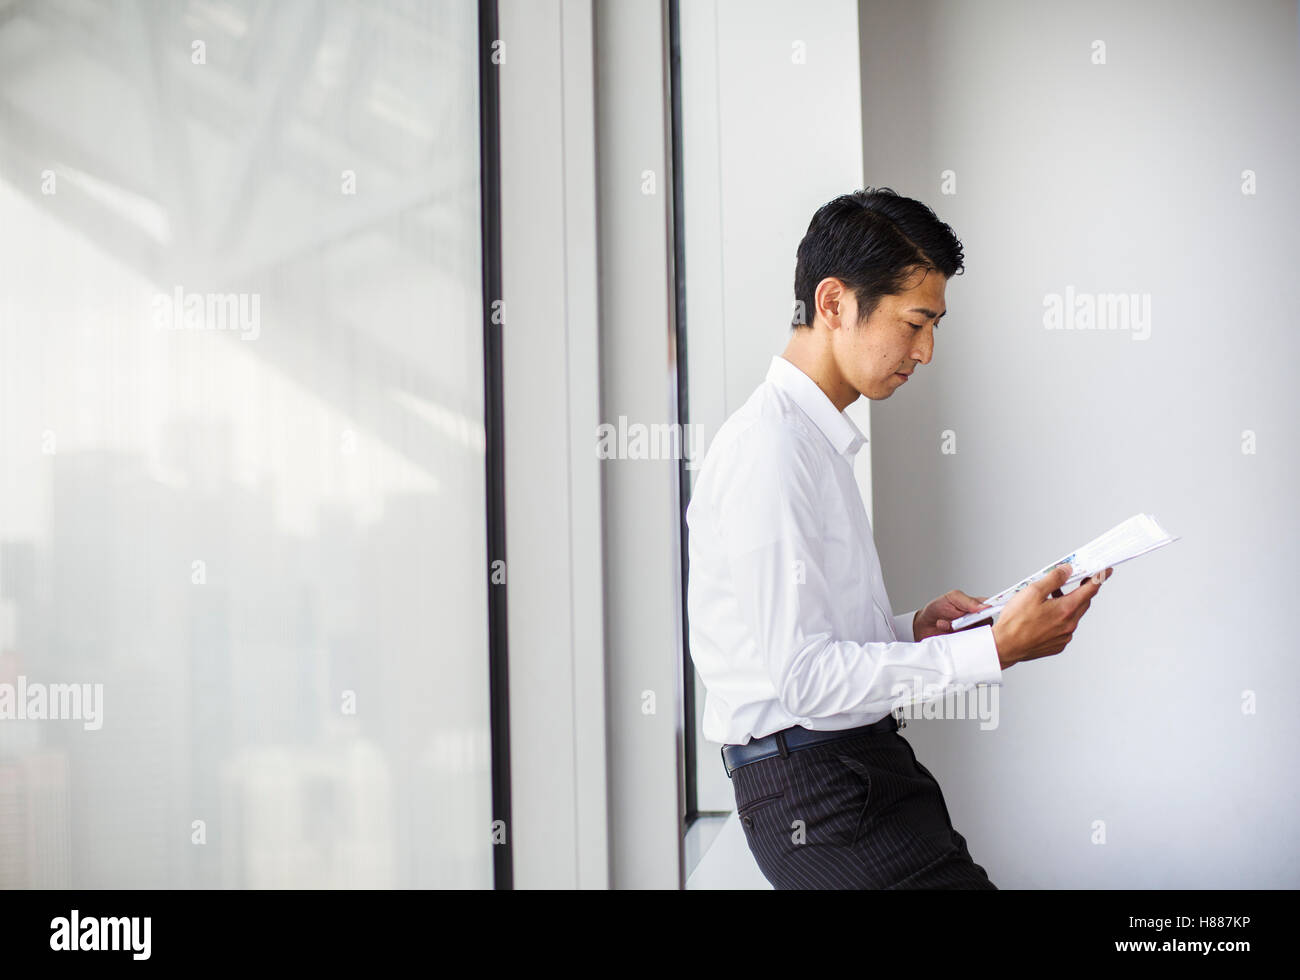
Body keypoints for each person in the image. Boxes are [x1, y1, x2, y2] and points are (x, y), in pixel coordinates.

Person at [684, 187, 1112, 889]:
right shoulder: (772, 449)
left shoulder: (809, 442)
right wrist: (990, 649)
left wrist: (915, 629)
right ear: (833, 304)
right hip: (822, 797)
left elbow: (803, 649)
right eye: (916, 322)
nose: (928, 350)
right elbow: (806, 681)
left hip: (852, 774)